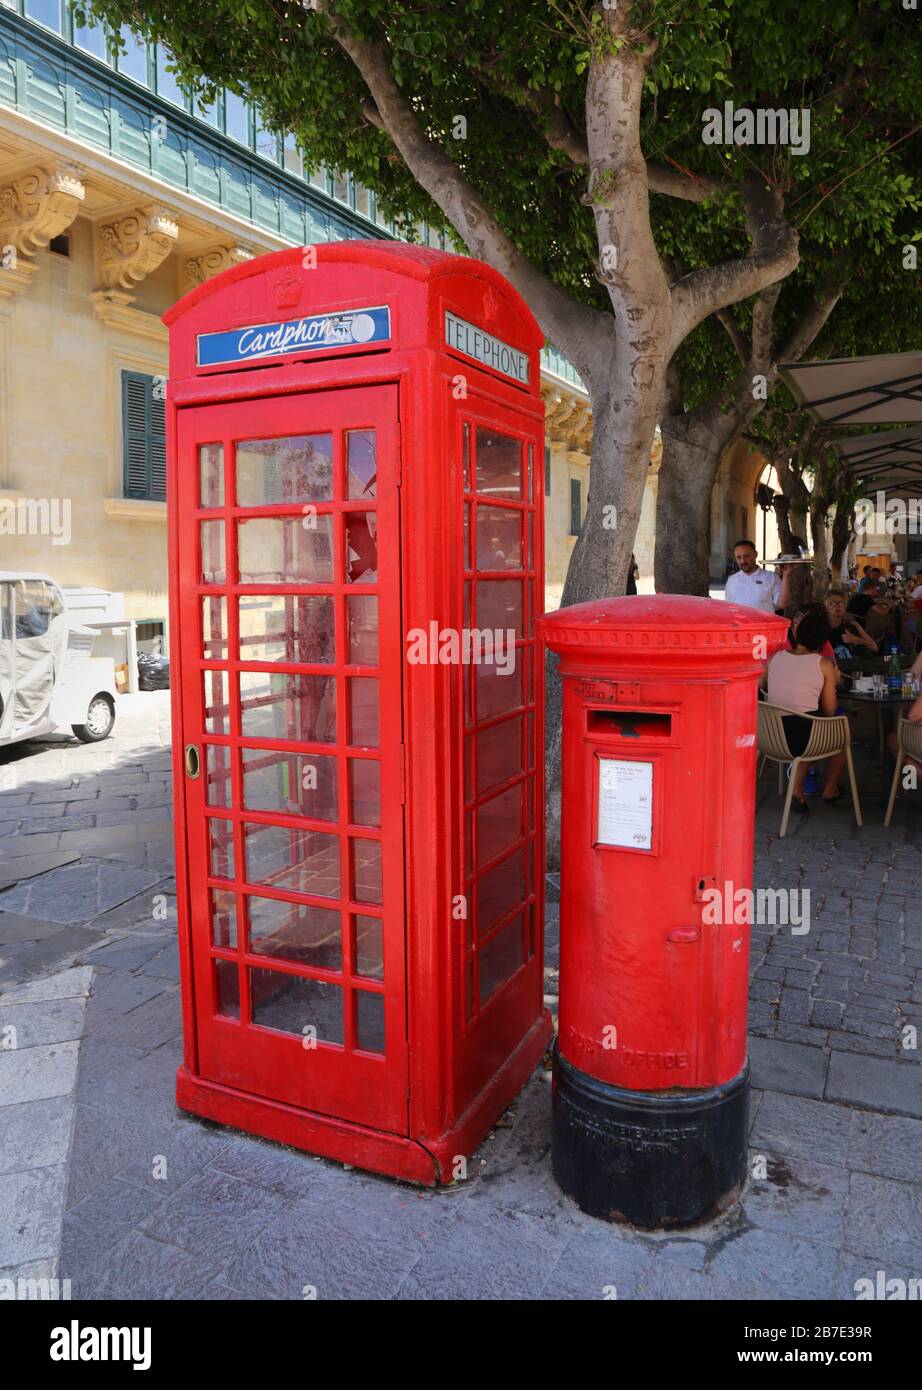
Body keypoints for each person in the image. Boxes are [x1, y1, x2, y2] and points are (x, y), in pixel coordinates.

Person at [763, 610, 846, 810]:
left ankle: (797, 788)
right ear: (822, 641)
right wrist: (834, 680)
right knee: (844, 728)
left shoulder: (775, 657)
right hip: (802, 740)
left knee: (808, 723)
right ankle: (830, 788)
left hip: (769, 735)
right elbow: (829, 710)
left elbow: (763, 685)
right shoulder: (822, 664)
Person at [725, 539, 789, 614]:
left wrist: (786, 576)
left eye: (746, 556)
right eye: (739, 557)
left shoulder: (771, 577)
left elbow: (782, 604)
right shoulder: (732, 580)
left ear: (755, 554)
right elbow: (729, 607)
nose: (743, 561)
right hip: (739, 625)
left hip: (764, 624)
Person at [824, 589, 877, 661]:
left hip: (853, 667)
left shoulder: (851, 625)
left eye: (841, 603)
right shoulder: (821, 627)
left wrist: (856, 639)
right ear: (826, 607)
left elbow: (874, 647)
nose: (838, 606)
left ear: (845, 607)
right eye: (833, 603)